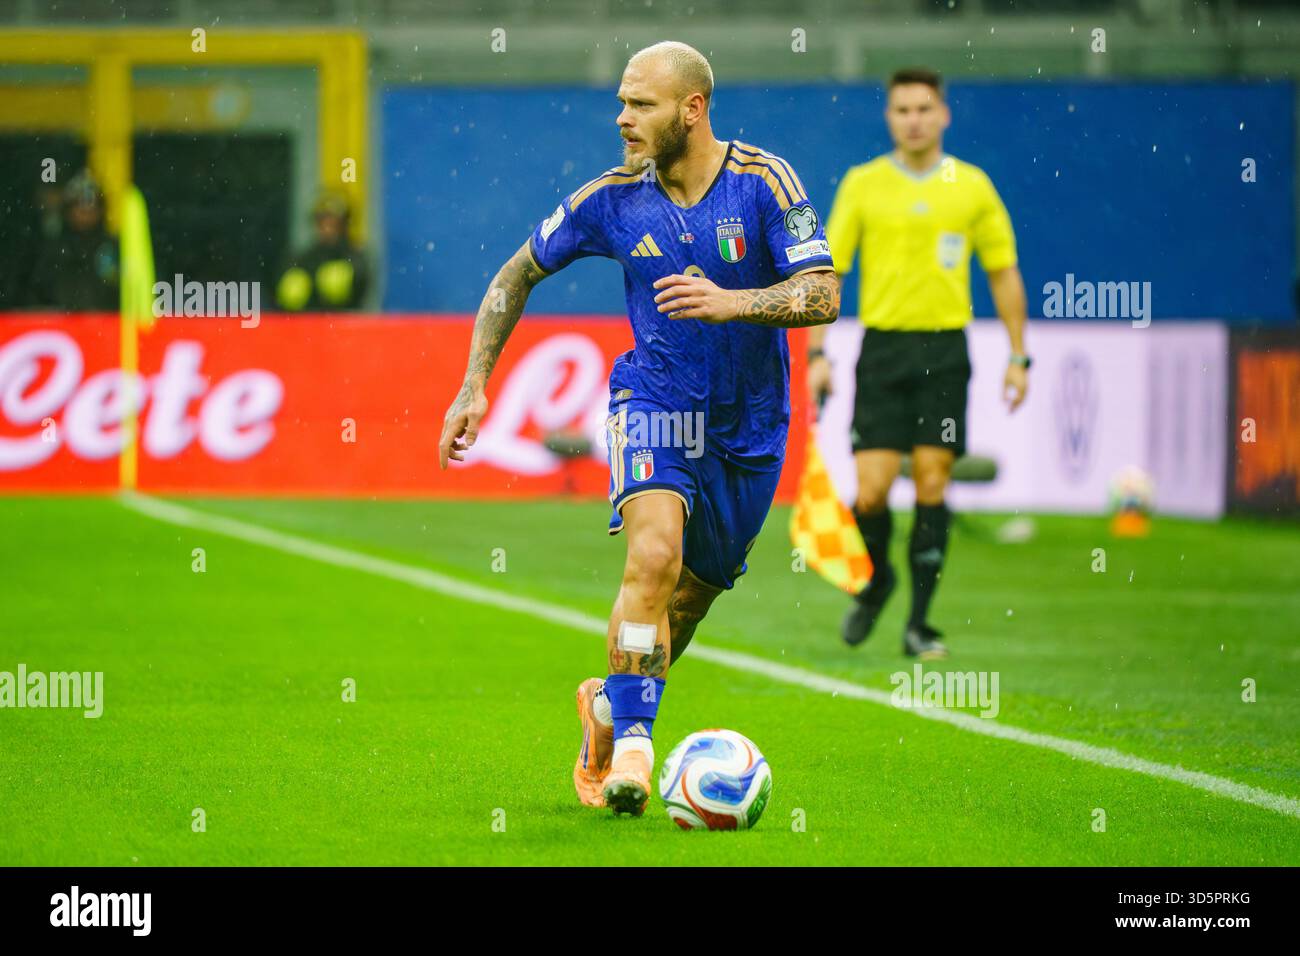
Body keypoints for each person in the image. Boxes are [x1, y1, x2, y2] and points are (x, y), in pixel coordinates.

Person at [438, 41, 838, 816]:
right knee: (652, 556)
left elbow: (822, 292)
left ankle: (606, 713)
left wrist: (737, 301)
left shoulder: (765, 182)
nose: (623, 119)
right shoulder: (613, 199)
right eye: (622, 102)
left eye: (641, 105)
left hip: (750, 431)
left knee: (682, 605)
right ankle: (633, 758)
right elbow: (515, 274)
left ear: (693, 109)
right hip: (655, 403)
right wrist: (474, 383)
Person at [811, 66, 1030, 661]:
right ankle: (878, 579)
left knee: (933, 478)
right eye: (902, 110)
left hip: (944, 351)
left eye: (923, 109)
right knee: (873, 491)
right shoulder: (863, 184)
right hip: (881, 350)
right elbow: (829, 273)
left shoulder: (973, 187)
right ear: (889, 117)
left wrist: (1018, 356)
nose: (913, 120)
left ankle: (919, 623)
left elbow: (1002, 272)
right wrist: (817, 353)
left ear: (943, 115)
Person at [27, 170, 119, 312]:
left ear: (101, 210)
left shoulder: (113, 248)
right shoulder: (53, 248)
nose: (85, 212)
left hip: (106, 326)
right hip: (61, 328)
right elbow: (37, 292)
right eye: (79, 205)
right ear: (68, 210)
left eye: (91, 205)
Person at [275, 192, 370, 311]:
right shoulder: (306, 257)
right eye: (322, 222)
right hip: (311, 324)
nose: (327, 228)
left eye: (333, 223)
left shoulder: (354, 256)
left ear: (343, 225)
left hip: (345, 323)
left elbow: (362, 291)